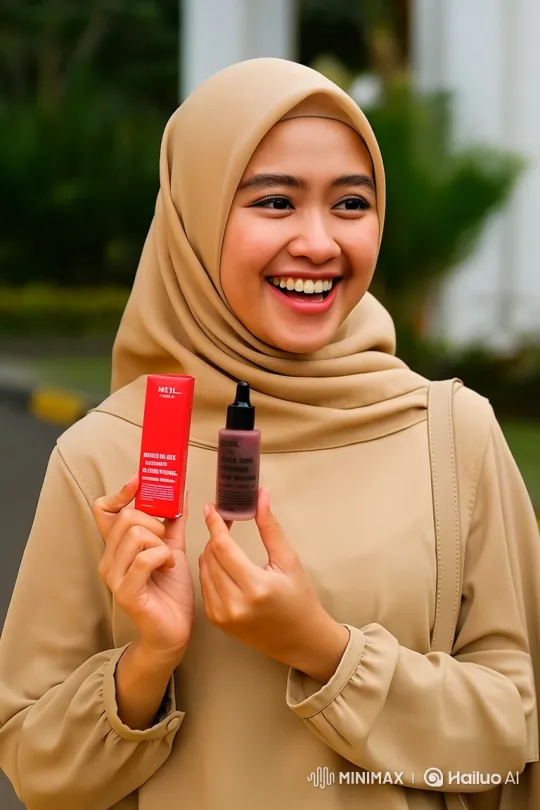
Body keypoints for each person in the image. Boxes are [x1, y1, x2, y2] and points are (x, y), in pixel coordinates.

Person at [0, 57, 539, 810]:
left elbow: (511, 739)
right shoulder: (108, 455)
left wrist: (325, 650)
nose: (319, 243)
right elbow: (37, 767)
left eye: (350, 203)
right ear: (195, 216)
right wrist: (146, 666)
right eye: (276, 202)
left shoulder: (452, 437)